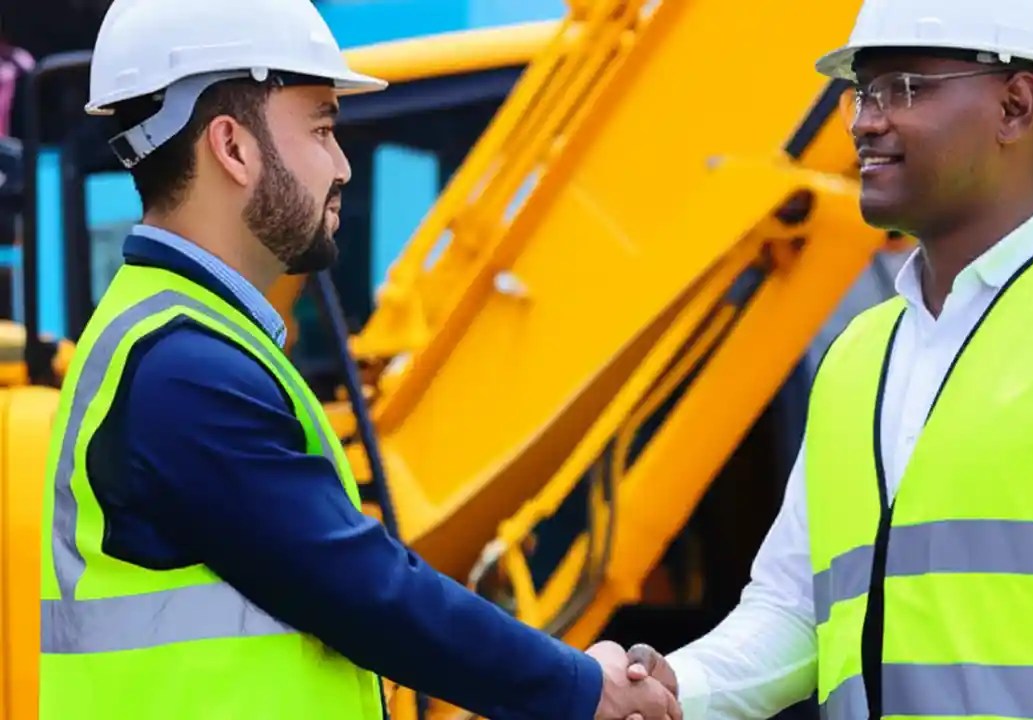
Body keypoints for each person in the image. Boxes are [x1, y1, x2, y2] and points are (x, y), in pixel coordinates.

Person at [622, 0, 1033, 718]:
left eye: (904, 87)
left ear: (1016, 105)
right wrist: (664, 689)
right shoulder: (857, 359)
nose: (865, 121)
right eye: (861, 93)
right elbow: (789, 612)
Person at [37, 1, 679, 719]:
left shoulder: (185, 339)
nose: (341, 166)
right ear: (233, 147)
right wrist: (577, 688)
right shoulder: (182, 366)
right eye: (322, 127)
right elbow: (364, 588)